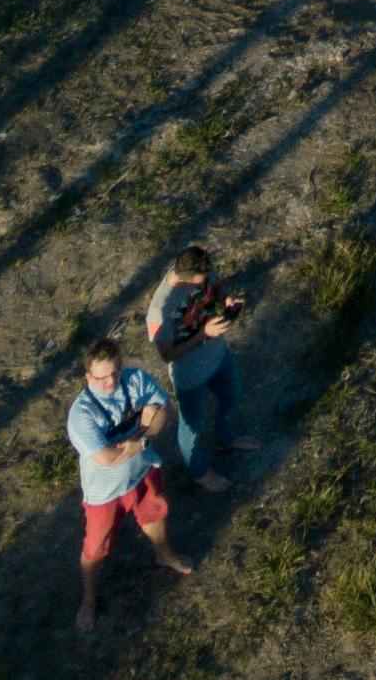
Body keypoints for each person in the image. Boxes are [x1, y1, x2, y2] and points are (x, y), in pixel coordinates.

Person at [68, 341, 191, 637]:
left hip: (142, 472)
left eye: (115, 373)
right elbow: (107, 459)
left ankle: (164, 554)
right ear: (88, 377)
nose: (110, 382)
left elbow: (162, 412)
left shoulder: (135, 379)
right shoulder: (81, 416)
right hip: (104, 493)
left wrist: (140, 439)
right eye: (101, 378)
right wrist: (142, 431)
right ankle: (88, 599)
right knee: (96, 547)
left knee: (155, 512)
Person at [144, 243, 244, 486]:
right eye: (199, 282)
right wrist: (203, 334)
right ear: (184, 278)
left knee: (231, 397)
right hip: (190, 374)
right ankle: (199, 472)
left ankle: (225, 438)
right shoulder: (161, 310)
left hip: (218, 354)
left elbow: (216, 287)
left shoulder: (202, 268)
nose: (204, 283)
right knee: (192, 427)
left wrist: (226, 299)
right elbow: (167, 354)